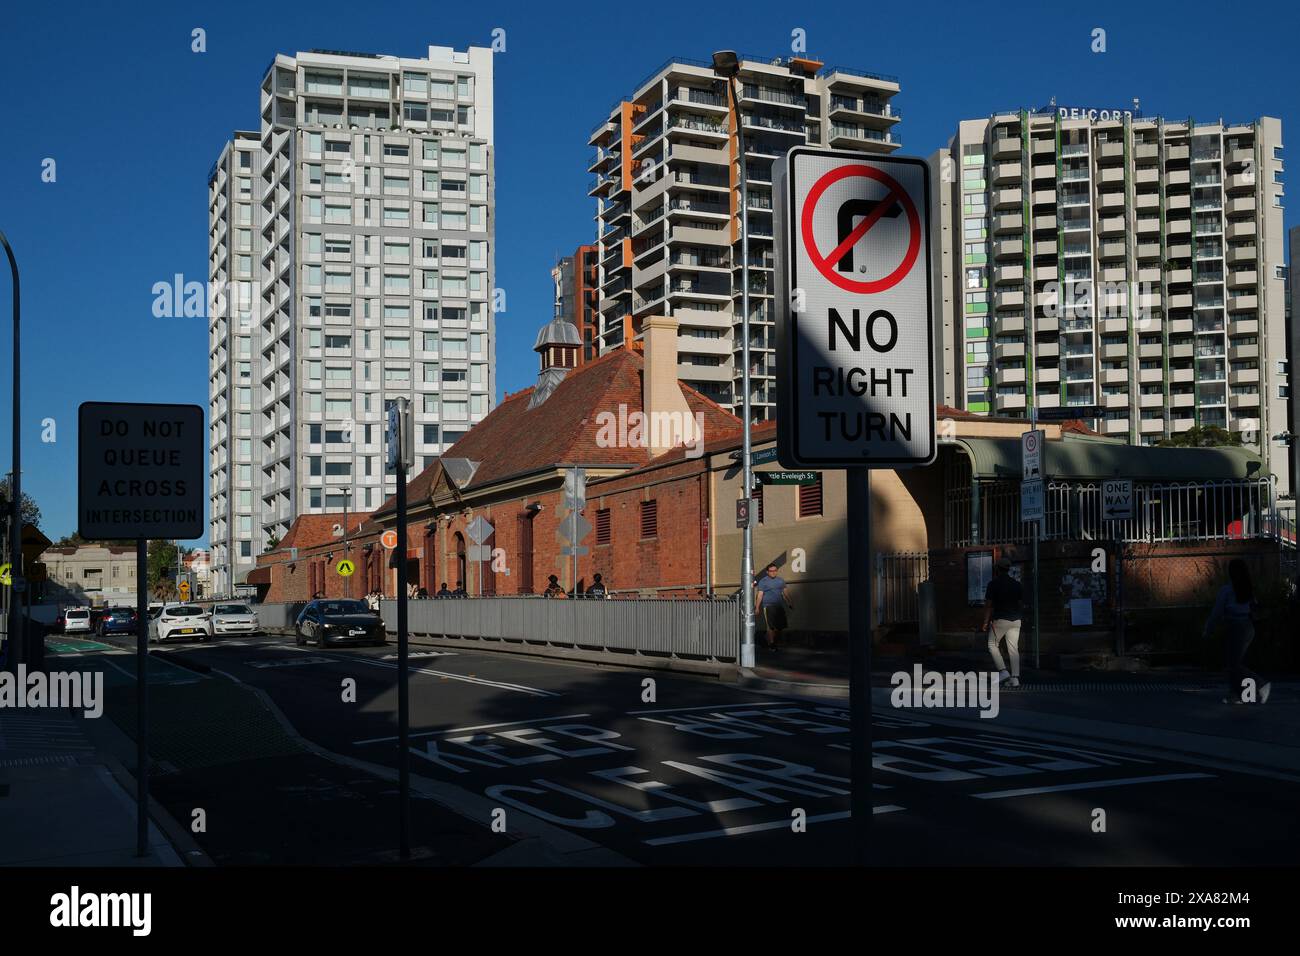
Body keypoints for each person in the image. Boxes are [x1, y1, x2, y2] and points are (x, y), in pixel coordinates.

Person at [1204, 558, 1271, 705]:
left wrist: (1208, 629)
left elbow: (1216, 612)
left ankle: (1260, 684)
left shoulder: (1227, 591)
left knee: (1233, 664)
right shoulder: (1247, 589)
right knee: (1233, 663)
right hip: (1246, 626)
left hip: (1236, 627)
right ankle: (1239, 694)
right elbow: (1255, 607)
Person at [982, 556, 1022, 687]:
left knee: (992, 645)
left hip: (1000, 620)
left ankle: (1003, 671)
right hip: (1016, 620)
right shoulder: (1017, 584)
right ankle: (1015, 678)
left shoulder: (993, 584)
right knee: (1013, 648)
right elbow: (1020, 602)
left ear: (997, 569)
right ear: (1008, 569)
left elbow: (989, 605)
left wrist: (985, 622)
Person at [754, 563, 792, 651]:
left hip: (779, 606)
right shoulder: (763, 581)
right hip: (768, 606)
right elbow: (759, 595)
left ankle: (768, 638)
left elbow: (785, 593)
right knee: (771, 627)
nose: (773, 572)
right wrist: (757, 607)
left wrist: (790, 603)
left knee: (780, 627)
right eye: (771, 571)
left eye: (775, 570)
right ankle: (771, 644)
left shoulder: (780, 581)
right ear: (767, 572)